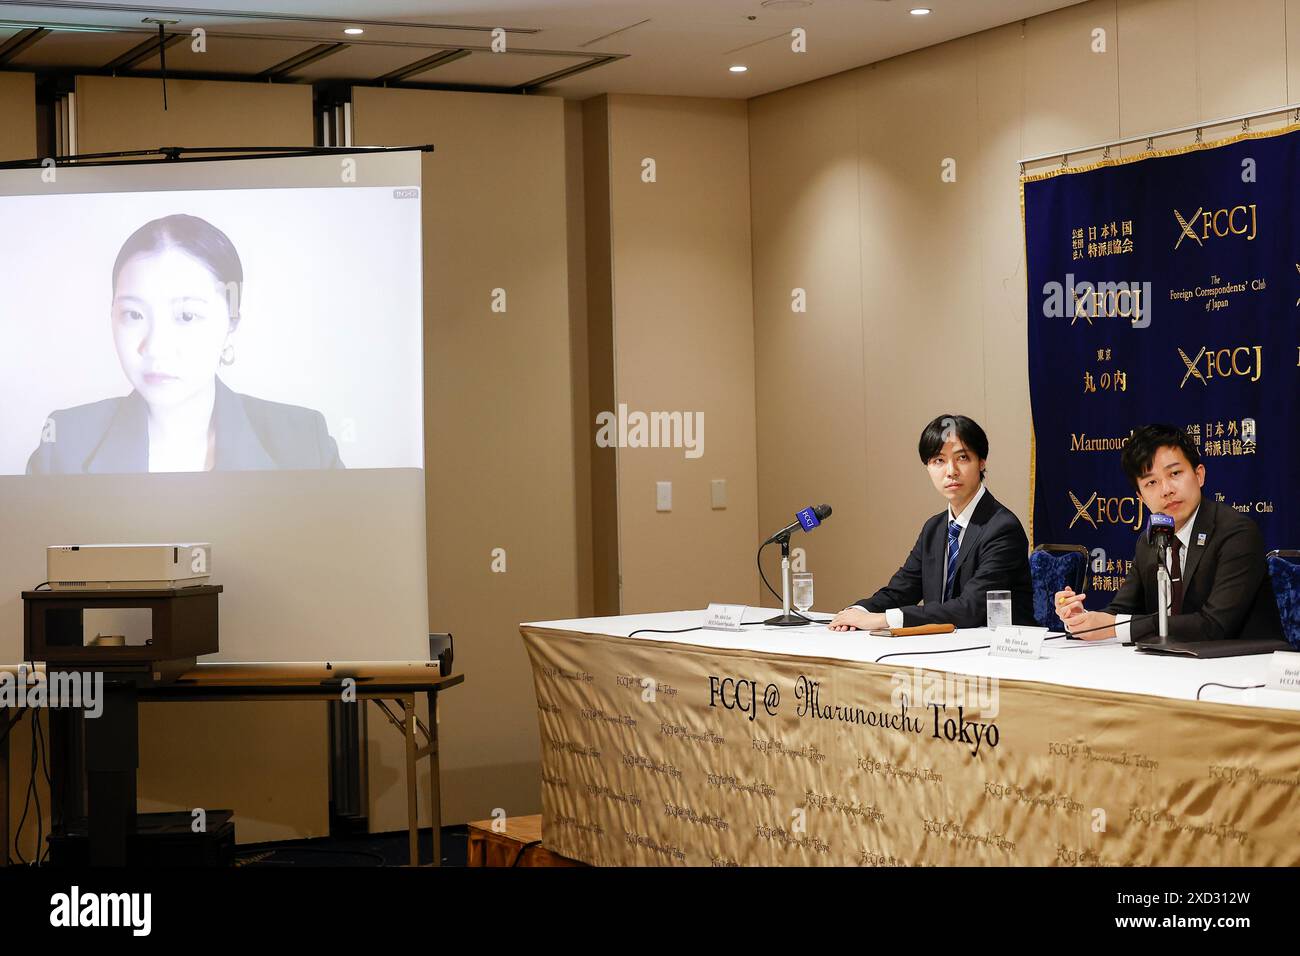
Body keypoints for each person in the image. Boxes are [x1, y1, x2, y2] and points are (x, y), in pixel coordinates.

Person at [27, 213, 344, 474]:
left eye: (187, 317)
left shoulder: (304, 443)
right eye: (134, 314)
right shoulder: (65, 443)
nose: (155, 346)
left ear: (231, 324)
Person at [1055, 424, 1282, 642]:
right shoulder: (1150, 540)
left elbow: (1215, 625)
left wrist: (1114, 627)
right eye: (1151, 482)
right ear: (1141, 498)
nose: (1166, 490)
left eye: (1175, 473)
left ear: (1199, 475)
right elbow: (1120, 611)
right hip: (1175, 666)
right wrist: (1082, 619)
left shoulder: (1236, 532)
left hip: (1245, 668)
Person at [829, 414, 1035, 631]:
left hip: (999, 654)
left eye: (962, 458)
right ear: (927, 467)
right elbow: (902, 590)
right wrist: (857, 612)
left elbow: (970, 609)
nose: (951, 471)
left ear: (981, 462)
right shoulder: (934, 528)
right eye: (939, 460)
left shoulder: (1002, 527)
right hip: (943, 649)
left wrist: (883, 620)